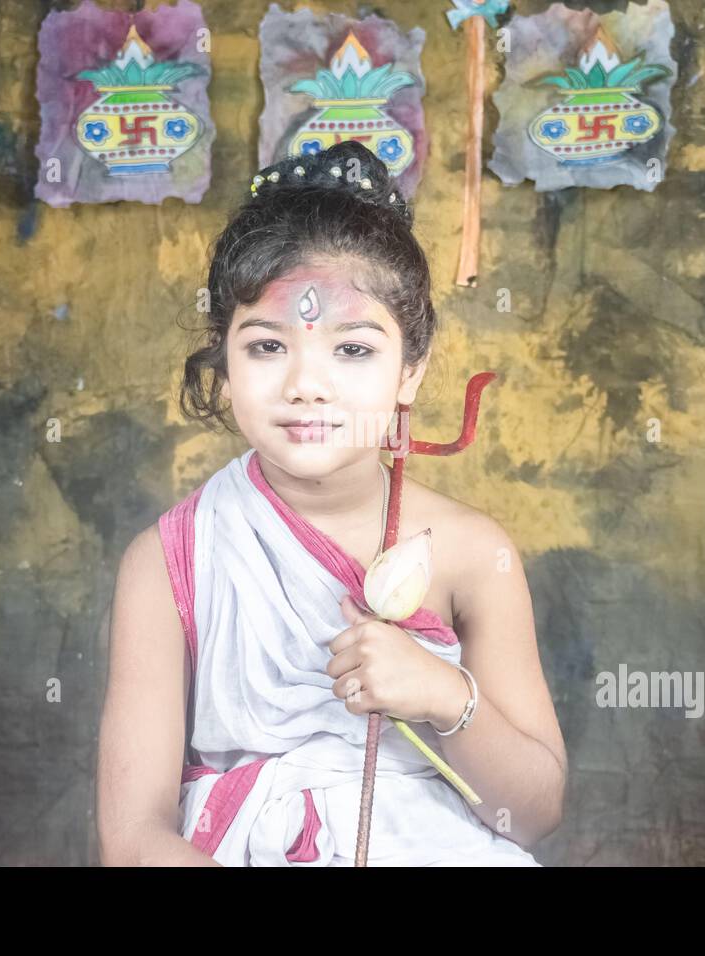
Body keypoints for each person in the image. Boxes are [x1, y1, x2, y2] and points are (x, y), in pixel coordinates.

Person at [98, 142, 566, 866]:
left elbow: (532, 819)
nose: (306, 385)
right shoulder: (167, 562)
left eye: (352, 350)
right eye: (266, 347)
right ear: (223, 366)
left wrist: (444, 697)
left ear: (410, 369)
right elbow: (131, 838)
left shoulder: (476, 556)